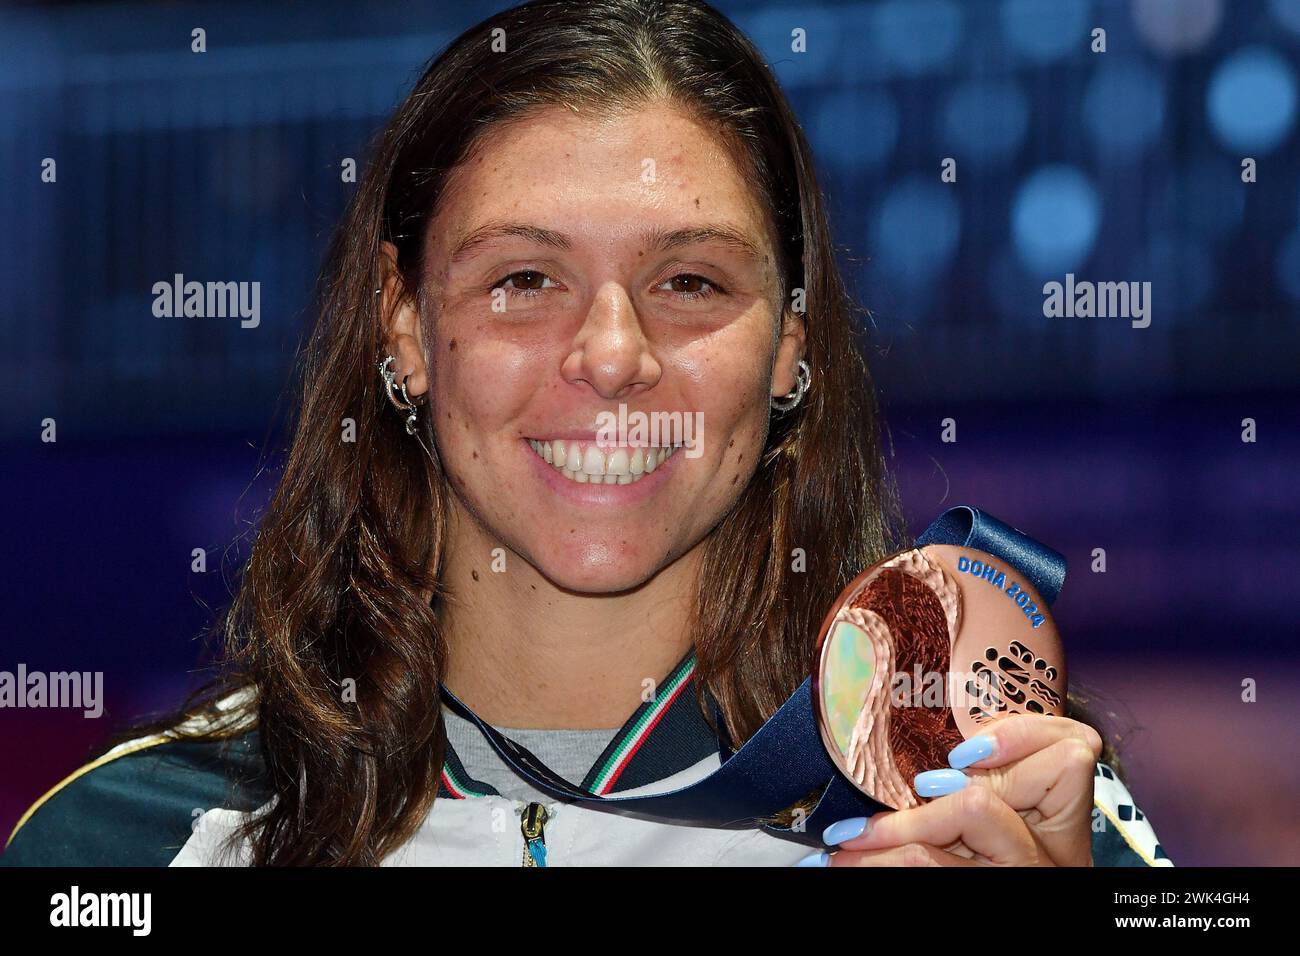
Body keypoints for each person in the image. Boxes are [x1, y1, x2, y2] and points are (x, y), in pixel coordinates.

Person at [3, 0, 1170, 867]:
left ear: (790, 346)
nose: (612, 355)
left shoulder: (998, 805)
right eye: (523, 276)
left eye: (691, 281)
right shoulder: (134, 843)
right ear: (403, 328)